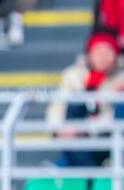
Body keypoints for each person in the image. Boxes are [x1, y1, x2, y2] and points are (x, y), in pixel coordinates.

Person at [48, 33, 124, 168]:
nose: (103, 57)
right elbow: (58, 106)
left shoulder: (120, 79)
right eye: (98, 52)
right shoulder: (73, 76)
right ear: (89, 54)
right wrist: (59, 129)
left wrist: (89, 127)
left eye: (108, 52)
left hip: (106, 136)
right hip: (78, 135)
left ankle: (69, 170)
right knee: (74, 106)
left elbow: (113, 115)